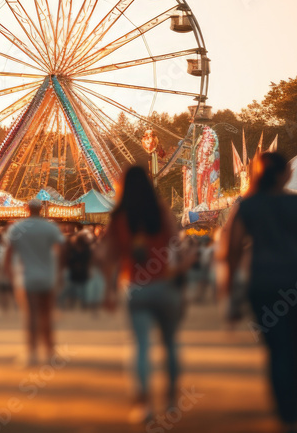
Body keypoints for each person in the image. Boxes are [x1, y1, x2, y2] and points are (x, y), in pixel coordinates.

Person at [226, 152, 297, 432]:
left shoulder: (247, 206)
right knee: (296, 346)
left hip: (264, 284)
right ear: (285, 174)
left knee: (277, 348)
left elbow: (231, 249)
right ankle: (293, 408)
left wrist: (231, 292)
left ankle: (285, 412)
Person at [102, 166, 193, 424]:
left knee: (139, 347)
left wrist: (109, 290)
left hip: (133, 287)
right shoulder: (160, 211)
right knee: (171, 344)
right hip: (164, 284)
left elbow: (109, 257)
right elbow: (177, 245)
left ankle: (143, 406)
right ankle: (172, 402)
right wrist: (180, 274)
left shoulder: (119, 216)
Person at [5, 200, 65, 363]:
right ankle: (50, 352)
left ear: (27, 209)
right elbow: (62, 250)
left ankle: (31, 353)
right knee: (46, 315)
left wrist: (10, 276)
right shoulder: (50, 228)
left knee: (30, 316)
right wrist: (59, 272)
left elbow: (8, 256)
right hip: (47, 277)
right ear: (42, 209)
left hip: (26, 278)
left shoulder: (17, 228)